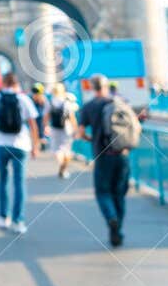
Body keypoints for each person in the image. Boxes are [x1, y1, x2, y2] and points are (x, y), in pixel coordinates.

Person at [79, 75, 137, 246]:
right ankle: (118, 230)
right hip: (122, 153)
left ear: (91, 87)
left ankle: (111, 218)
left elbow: (80, 133)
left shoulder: (89, 106)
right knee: (119, 193)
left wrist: (91, 139)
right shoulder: (120, 103)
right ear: (106, 86)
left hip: (103, 156)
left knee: (103, 192)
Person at [0, 72, 37, 233]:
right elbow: (33, 122)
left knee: (3, 180)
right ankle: (18, 221)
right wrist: (36, 145)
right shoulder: (23, 99)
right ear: (16, 83)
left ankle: (2, 217)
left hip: (1, 144)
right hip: (21, 145)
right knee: (19, 182)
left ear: (3, 83)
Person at [44, 82, 80, 178]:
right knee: (67, 149)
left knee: (57, 149)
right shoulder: (67, 102)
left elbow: (46, 117)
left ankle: (61, 163)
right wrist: (76, 130)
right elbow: (72, 118)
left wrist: (46, 126)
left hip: (55, 128)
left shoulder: (50, 101)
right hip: (67, 129)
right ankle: (64, 167)